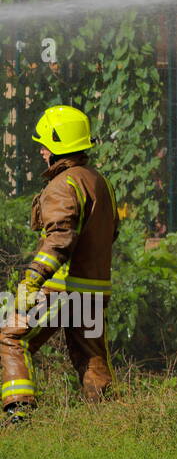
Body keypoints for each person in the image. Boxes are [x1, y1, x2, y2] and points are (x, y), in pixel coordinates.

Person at [0, 105, 118, 424]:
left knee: (11, 335)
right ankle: (108, 422)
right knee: (91, 358)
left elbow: (59, 239)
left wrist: (33, 280)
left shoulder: (64, 184)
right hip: (93, 290)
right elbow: (112, 233)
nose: (41, 151)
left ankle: (18, 412)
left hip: (61, 290)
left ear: (57, 146)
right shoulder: (99, 182)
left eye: (45, 145)